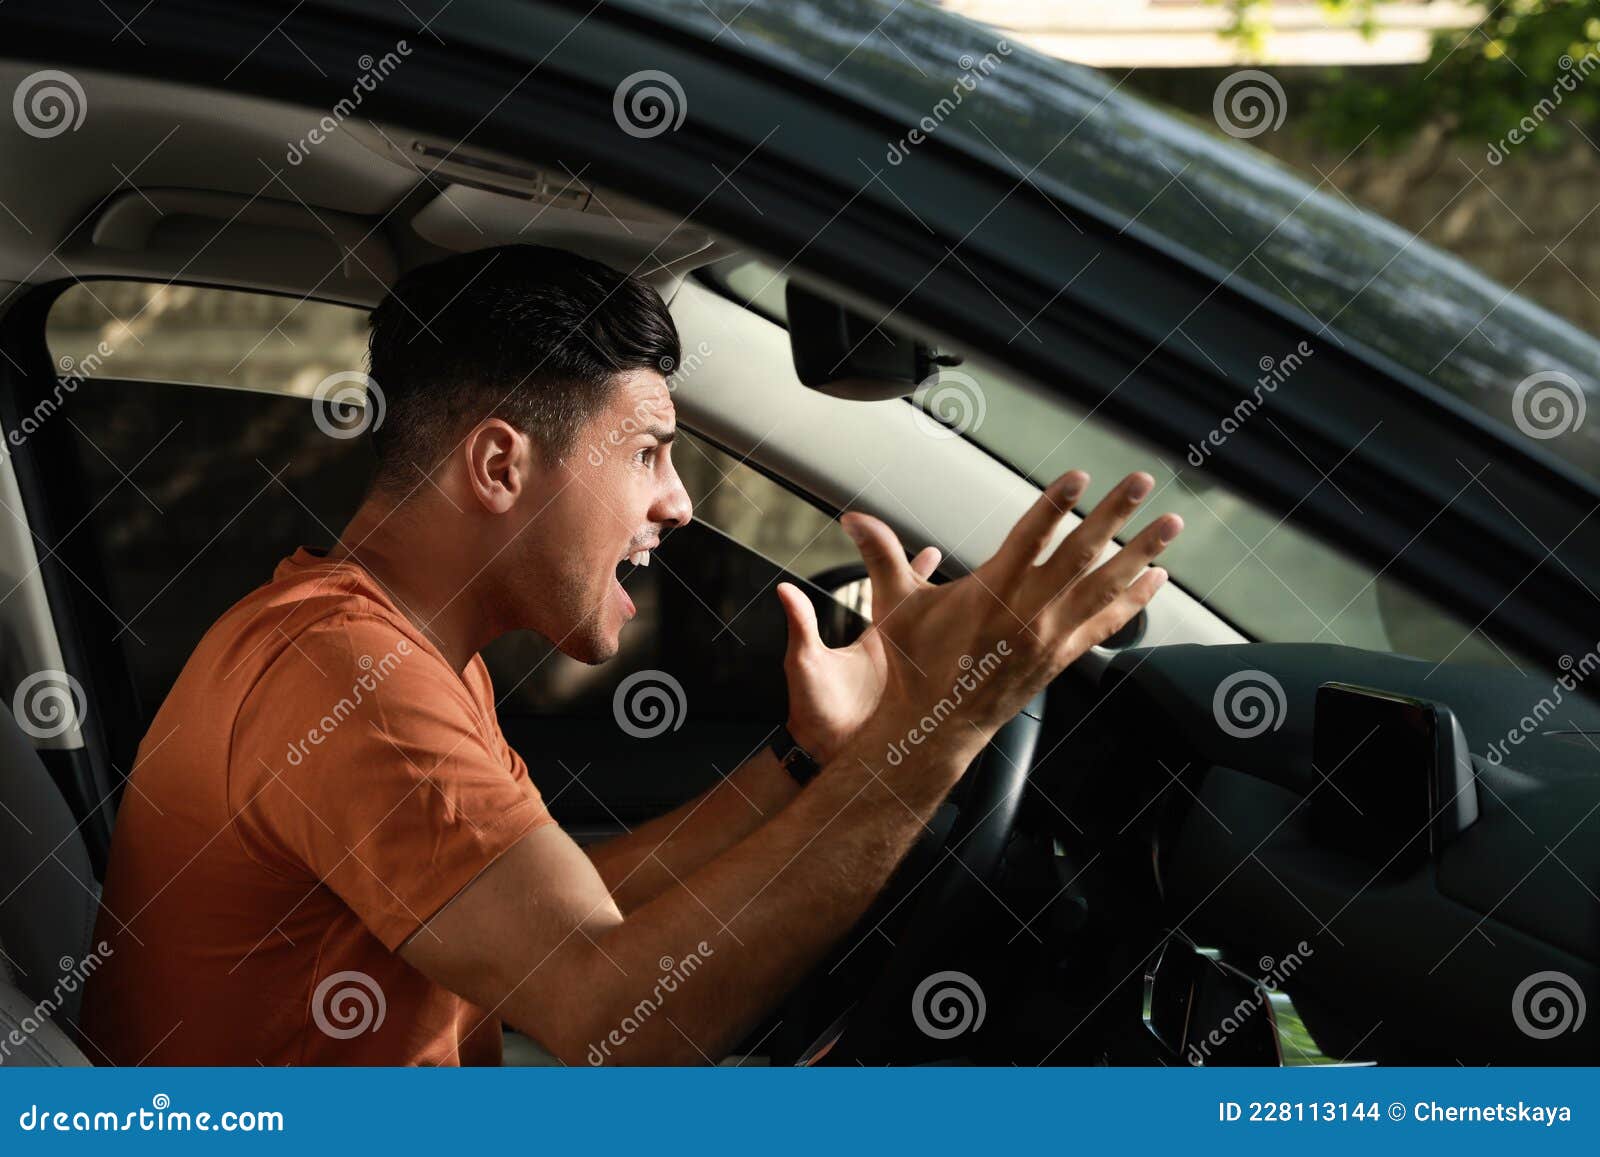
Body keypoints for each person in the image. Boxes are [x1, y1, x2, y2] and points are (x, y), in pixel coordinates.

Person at [80, 245, 1181, 1065]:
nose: (679, 502)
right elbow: (615, 1014)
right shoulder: (346, 678)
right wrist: (943, 728)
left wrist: (813, 758)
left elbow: (564, 917)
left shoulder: (387, 647)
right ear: (501, 465)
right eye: (650, 449)